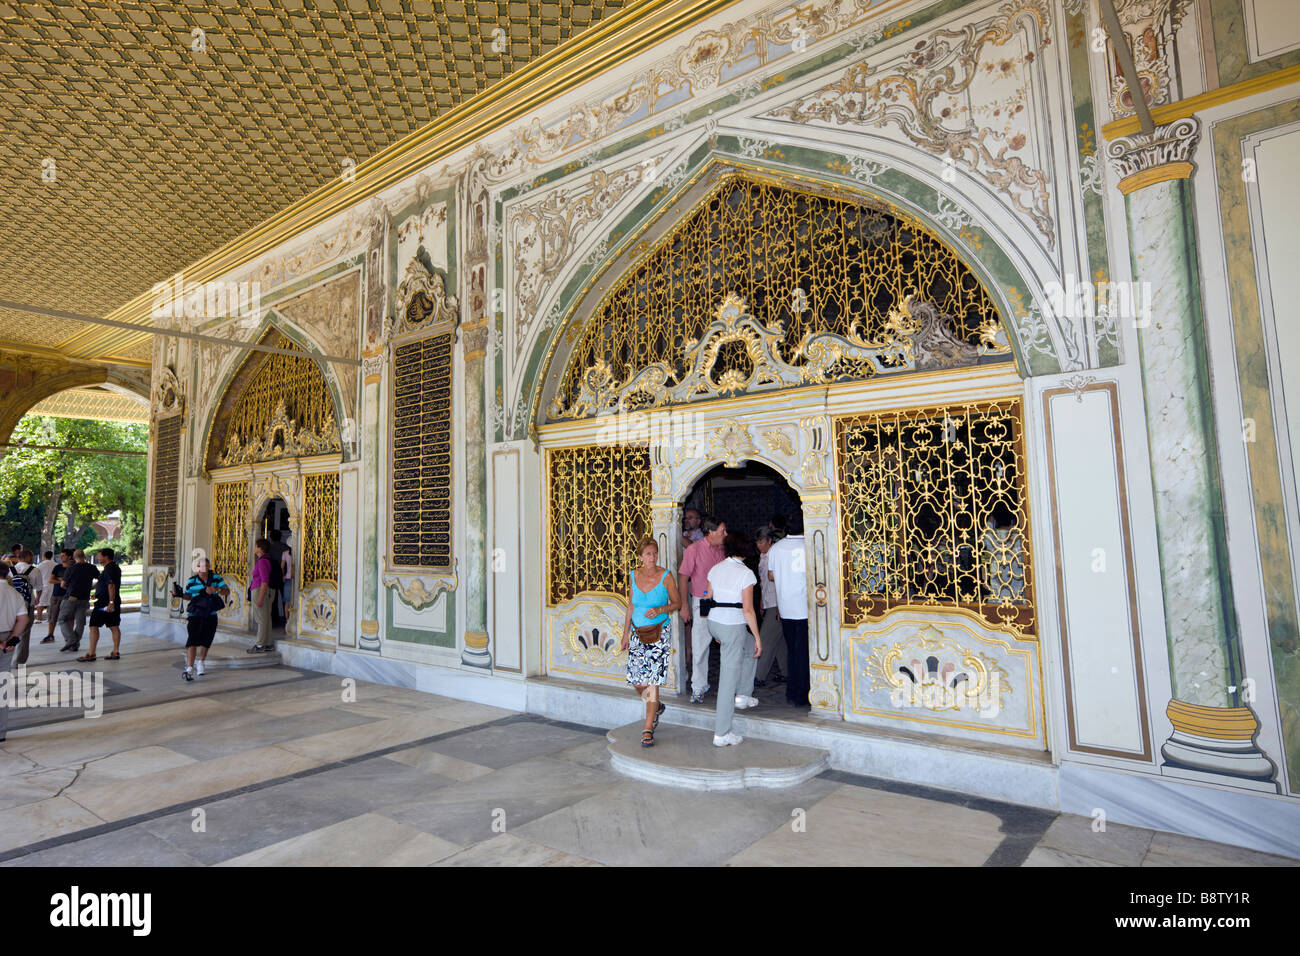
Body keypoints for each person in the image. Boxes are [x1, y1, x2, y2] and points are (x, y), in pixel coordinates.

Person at [620, 537, 680, 747]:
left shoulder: (666, 576)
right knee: (637, 680)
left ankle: (648, 727)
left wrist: (661, 609)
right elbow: (630, 606)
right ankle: (656, 706)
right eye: (648, 554)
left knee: (653, 680)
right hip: (637, 634)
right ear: (640, 557)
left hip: (659, 633)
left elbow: (677, 602)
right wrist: (625, 633)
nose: (652, 557)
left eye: (654, 553)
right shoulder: (633, 575)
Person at [704, 531, 762, 747]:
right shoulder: (746, 573)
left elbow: (708, 596)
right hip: (732, 625)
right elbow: (748, 610)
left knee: (748, 649)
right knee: (728, 680)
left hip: (714, 623)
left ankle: (744, 695)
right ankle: (722, 732)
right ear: (747, 550)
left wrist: (720, 632)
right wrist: (757, 636)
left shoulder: (715, 568)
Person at [678, 515, 726, 704]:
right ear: (710, 532)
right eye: (722, 531)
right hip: (703, 600)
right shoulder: (694, 549)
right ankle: (698, 687)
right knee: (700, 644)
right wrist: (684, 605)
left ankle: (729, 686)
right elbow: (683, 577)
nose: (725, 534)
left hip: (723, 601)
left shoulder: (723, 549)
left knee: (727, 643)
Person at [768, 511, 810, 707]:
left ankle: (792, 692)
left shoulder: (776, 548)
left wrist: (786, 576)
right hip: (806, 607)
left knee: (793, 651)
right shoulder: (809, 545)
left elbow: (770, 576)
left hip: (786, 607)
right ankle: (804, 694)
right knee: (805, 652)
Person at [0, 562, 33, 743]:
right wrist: (12, 638)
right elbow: (23, 618)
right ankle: (0, 732)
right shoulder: (14, 593)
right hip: (8, 639)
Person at [182, 558, 230, 681]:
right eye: (200, 567)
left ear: (208, 567)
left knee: (206, 640)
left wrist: (217, 590)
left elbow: (226, 591)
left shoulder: (216, 578)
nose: (202, 570)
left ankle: (201, 662)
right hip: (195, 615)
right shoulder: (192, 581)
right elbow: (188, 596)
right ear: (197, 568)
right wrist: (179, 594)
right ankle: (189, 668)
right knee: (192, 640)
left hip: (210, 614)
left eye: (205, 567)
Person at [753, 526, 787, 687]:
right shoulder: (763, 555)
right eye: (757, 542)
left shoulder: (776, 554)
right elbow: (763, 582)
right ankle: (787, 672)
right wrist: (762, 601)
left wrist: (781, 605)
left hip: (777, 603)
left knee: (765, 638)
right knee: (779, 641)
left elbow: (781, 581)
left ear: (769, 540)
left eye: (761, 542)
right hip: (769, 601)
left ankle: (758, 675)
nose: (759, 545)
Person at [80, 548, 122, 662]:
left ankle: (91, 653)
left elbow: (111, 585)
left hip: (105, 603)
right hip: (110, 601)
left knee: (93, 625)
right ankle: (115, 651)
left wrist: (111, 603)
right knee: (114, 626)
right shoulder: (113, 567)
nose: (98, 558)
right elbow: (105, 584)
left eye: (99, 556)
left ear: (106, 557)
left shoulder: (109, 569)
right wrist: (97, 592)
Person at [58, 549, 98, 653]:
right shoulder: (92, 568)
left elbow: (63, 584)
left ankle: (71, 639)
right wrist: (91, 587)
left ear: (73, 557)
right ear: (84, 556)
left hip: (71, 598)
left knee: (63, 619)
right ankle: (75, 644)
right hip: (84, 598)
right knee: (80, 622)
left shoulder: (71, 568)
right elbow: (101, 580)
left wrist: (70, 589)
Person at [247, 538, 275, 653]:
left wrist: (260, 598)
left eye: (256, 546)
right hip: (260, 590)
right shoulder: (263, 560)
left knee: (261, 619)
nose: (254, 548)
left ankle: (260, 645)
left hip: (260, 590)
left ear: (260, 548)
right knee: (265, 618)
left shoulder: (263, 561)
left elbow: (264, 581)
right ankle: (267, 643)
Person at [43, 550, 71, 644]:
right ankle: (50, 634)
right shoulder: (57, 567)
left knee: (68, 617)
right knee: (52, 616)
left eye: (64, 555)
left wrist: (59, 579)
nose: (61, 557)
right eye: (61, 555)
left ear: (69, 556)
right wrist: (61, 581)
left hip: (68, 595)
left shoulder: (72, 568)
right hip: (56, 594)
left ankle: (70, 636)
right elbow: (51, 580)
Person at [268, 529, 286, 627]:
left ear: (271, 538)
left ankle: (274, 618)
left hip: (273, 576)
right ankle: (286, 617)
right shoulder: (286, 547)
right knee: (285, 597)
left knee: (273, 599)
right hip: (283, 576)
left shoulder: (269, 549)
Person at [34, 550, 55, 623]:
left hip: (43, 585)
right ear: (52, 556)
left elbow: (36, 574)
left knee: (40, 602)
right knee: (50, 602)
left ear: (44, 556)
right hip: (52, 585)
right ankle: (49, 618)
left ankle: (38, 618)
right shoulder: (55, 564)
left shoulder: (40, 565)